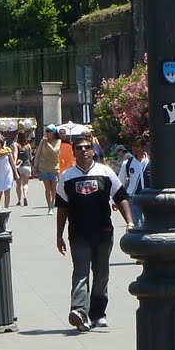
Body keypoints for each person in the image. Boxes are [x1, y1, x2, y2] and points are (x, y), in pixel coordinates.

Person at [54, 137, 131, 331]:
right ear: (74, 152)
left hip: (103, 232)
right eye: (79, 148)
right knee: (80, 272)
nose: (84, 151)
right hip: (78, 234)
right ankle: (79, 311)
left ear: (93, 150)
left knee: (101, 274)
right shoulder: (67, 177)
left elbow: (121, 198)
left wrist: (130, 222)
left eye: (87, 147)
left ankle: (98, 313)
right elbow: (62, 208)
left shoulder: (105, 172)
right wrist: (59, 235)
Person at [117, 134, 149, 230]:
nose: (134, 149)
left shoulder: (151, 162)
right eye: (133, 146)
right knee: (137, 224)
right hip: (133, 197)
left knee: (149, 224)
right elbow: (120, 182)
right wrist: (115, 200)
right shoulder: (127, 164)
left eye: (137, 146)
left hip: (149, 197)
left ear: (143, 147)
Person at [35, 126, 62, 212]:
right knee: (47, 188)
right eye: (46, 131)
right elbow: (38, 154)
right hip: (44, 167)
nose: (47, 133)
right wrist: (35, 166)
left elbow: (55, 152)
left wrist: (48, 145)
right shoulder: (43, 141)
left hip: (53, 168)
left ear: (53, 133)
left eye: (49, 131)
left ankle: (53, 202)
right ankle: (49, 206)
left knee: (53, 188)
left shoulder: (58, 141)